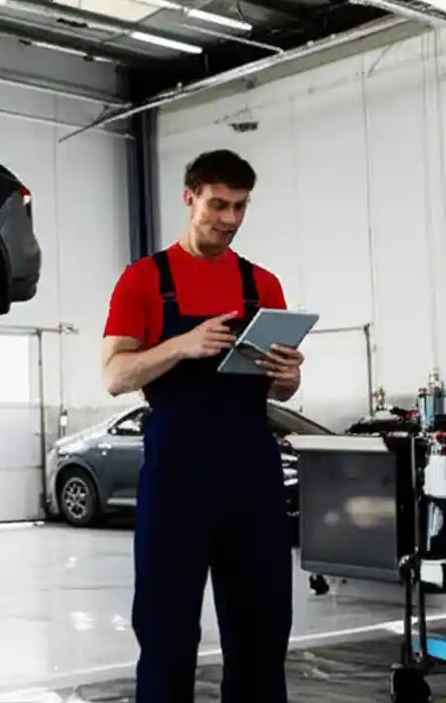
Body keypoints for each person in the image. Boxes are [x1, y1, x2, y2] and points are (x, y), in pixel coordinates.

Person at [101, 149, 305, 702]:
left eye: (240, 207)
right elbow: (115, 375)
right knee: (167, 632)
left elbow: (281, 391)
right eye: (219, 205)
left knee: (262, 631)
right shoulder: (144, 280)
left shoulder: (262, 285)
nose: (231, 219)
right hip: (176, 476)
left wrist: (287, 375)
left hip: (251, 473)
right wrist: (181, 345)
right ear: (189, 197)